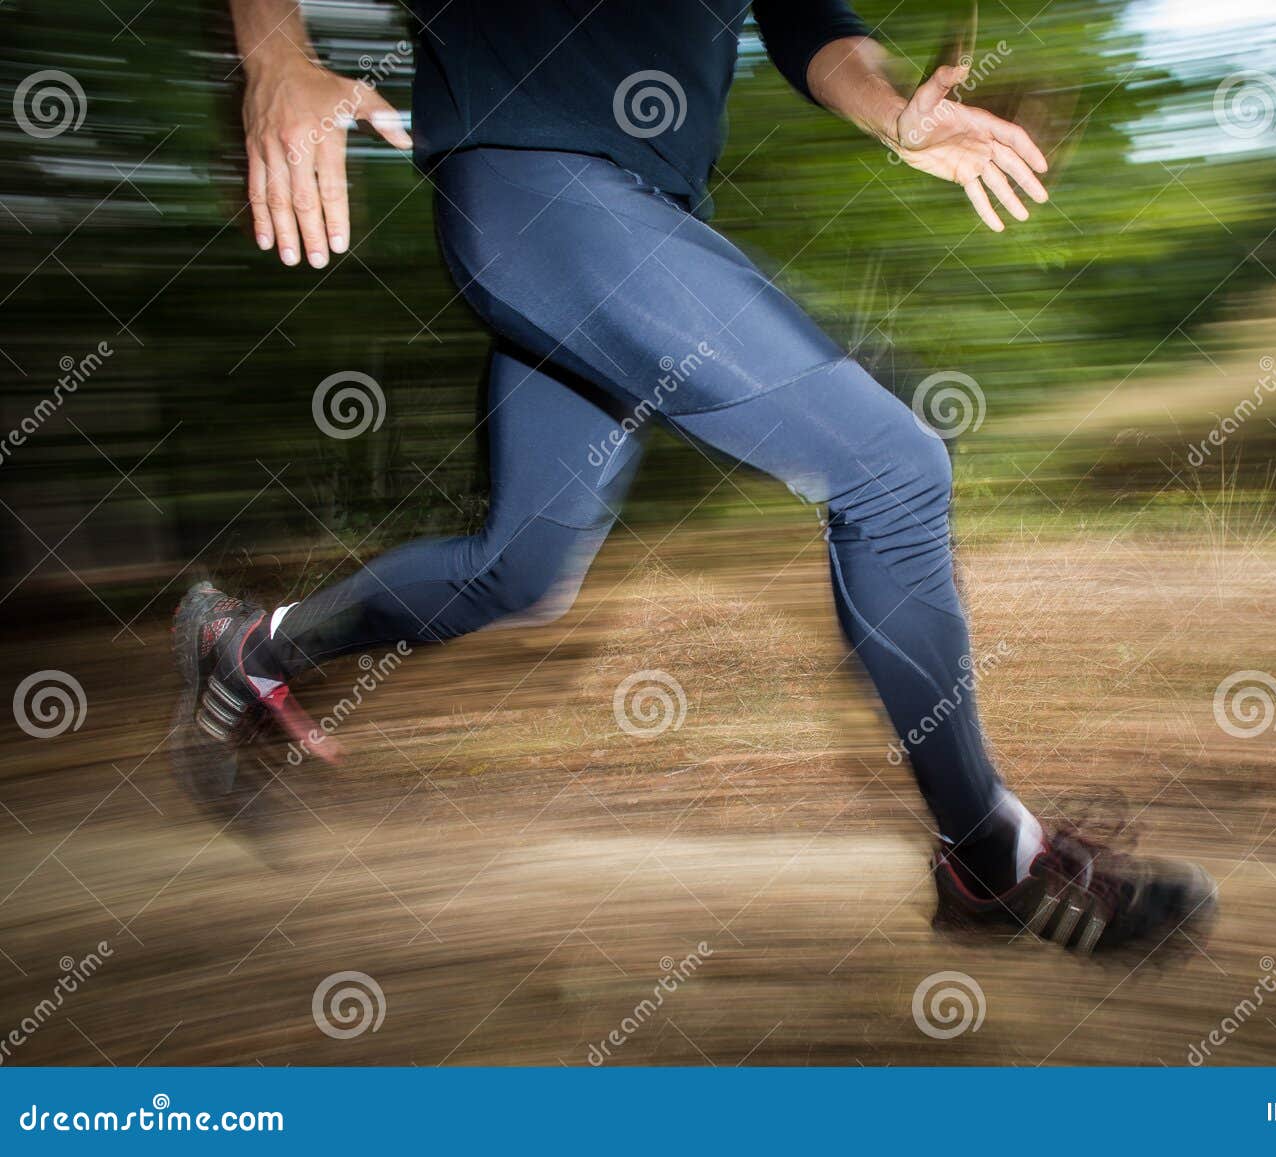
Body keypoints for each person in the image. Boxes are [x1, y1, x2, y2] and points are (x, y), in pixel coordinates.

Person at [176, 0, 1216, 957]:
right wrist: (273, 49)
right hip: (536, 184)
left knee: (519, 570)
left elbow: (814, 26)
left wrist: (897, 112)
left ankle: (253, 645)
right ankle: (989, 850)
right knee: (892, 471)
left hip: (634, 216)